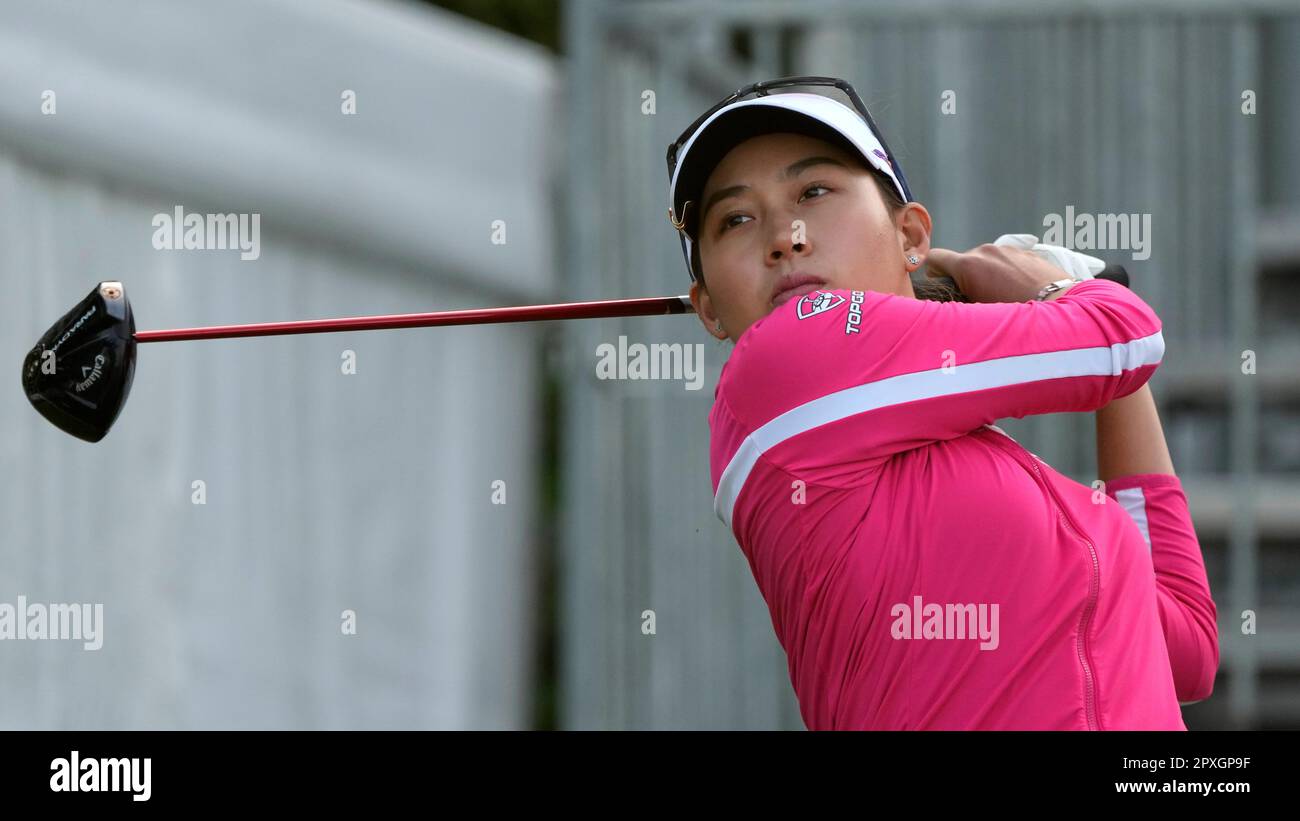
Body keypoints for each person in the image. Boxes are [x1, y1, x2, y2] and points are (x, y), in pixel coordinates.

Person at [665, 77, 1218, 730]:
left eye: (813, 192)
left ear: (910, 234)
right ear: (708, 309)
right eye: (735, 219)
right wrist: (1059, 291)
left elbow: (1184, 647)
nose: (784, 236)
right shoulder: (785, 357)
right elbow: (1126, 338)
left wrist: (1087, 308)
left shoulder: (977, 463)